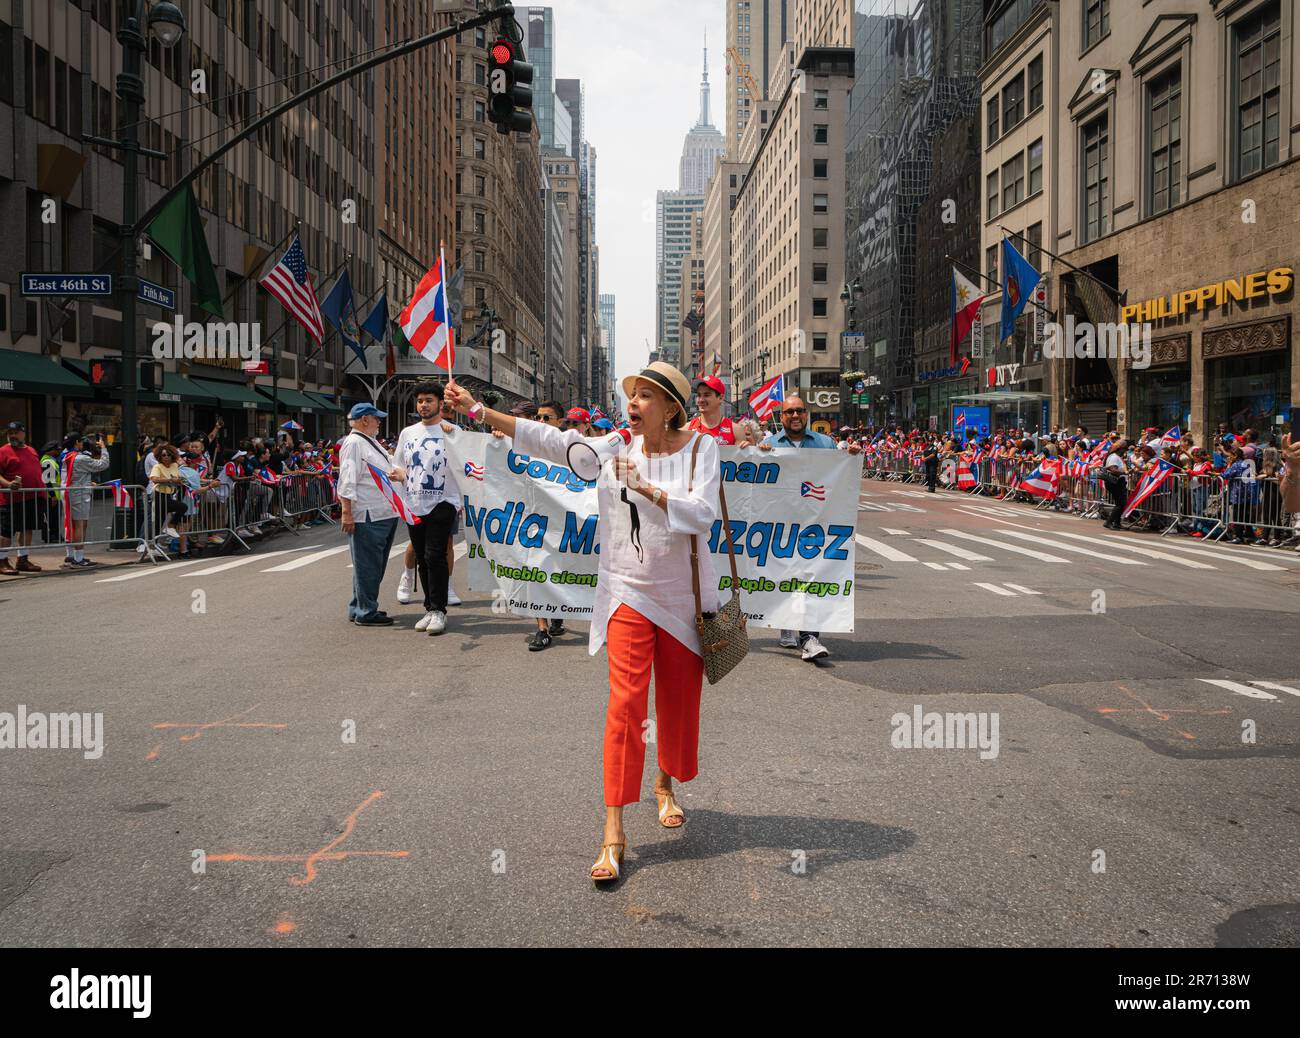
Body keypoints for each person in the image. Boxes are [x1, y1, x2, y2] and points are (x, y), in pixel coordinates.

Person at [444, 361, 722, 884]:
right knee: (625, 705)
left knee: (679, 702)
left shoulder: (702, 450)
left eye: (644, 397)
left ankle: (665, 784)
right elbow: (547, 440)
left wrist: (645, 489)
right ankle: (613, 831)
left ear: (671, 407)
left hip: (684, 601)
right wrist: (480, 412)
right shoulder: (613, 445)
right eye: (631, 396)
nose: (633, 405)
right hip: (626, 595)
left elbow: (703, 515)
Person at [758, 395, 856, 661]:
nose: (795, 415)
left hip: (815, 524)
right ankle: (786, 621)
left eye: (800, 410)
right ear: (781, 417)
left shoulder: (825, 444)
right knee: (785, 574)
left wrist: (851, 457)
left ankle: (810, 637)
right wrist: (755, 453)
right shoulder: (769, 444)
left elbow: (840, 474)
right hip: (781, 525)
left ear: (806, 414)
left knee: (813, 575)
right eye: (789, 412)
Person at [393, 382, 459, 635]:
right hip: (414, 502)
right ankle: (429, 608)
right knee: (422, 557)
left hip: (444, 501)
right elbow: (400, 464)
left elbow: (472, 460)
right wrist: (398, 474)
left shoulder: (453, 431)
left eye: (428, 400)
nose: (424, 405)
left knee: (435, 555)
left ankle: (439, 610)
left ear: (440, 403)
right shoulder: (407, 433)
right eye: (420, 400)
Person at [337, 403, 405, 627]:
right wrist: (347, 512)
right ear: (365, 419)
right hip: (368, 514)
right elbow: (348, 478)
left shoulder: (368, 441)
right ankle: (366, 611)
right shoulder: (355, 442)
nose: (379, 422)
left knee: (370, 564)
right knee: (369, 565)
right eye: (376, 418)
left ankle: (359, 606)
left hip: (381, 512)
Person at [528, 401, 569, 649]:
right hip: (534, 519)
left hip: (564, 521)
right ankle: (542, 630)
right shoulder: (526, 445)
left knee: (559, 570)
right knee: (535, 570)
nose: (541, 422)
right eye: (539, 417)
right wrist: (499, 437)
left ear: (560, 422)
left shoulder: (570, 448)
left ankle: (556, 612)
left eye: (547, 418)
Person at [0, 421, 46, 573]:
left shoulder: (31, 450)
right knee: (6, 531)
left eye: (15, 432)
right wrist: (8, 484)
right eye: (10, 433)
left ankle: (23, 560)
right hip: (11, 499)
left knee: (27, 528)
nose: (12, 436)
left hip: (32, 496)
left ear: (23, 433)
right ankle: (2, 561)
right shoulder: (3, 451)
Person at [148, 443, 192, 555]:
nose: (166, 456)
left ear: (172, 455)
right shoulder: (157, 466)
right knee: (159, 521)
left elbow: (178, 478)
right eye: (163, 455)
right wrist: (169, 480)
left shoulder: (174, 466)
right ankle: (152, 546)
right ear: (159, 457)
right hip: (159, 496)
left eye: (168, 454)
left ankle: (155, 544)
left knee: (161, 520)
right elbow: (154, 478)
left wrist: (176, 480)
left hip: (169, 495)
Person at [687, 375, 752, 445]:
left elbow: (742, 455)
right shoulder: (686, 429)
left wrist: (756, 450)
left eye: (706, 395)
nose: (701, 400)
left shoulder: (736, 431)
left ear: (720, 398)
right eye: (699, 395)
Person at [1101, 439, 1129, 529]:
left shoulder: (1116, 456)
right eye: (1125, 449)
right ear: (1121, 448)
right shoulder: (1113, 457)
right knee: (1120, 503)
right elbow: (1113, 469)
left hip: (1118, 482)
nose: (1126, 451)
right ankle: (1109, 522)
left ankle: (1117, 523)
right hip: (1115, 482)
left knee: (1121, 503)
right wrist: (1124, 472)